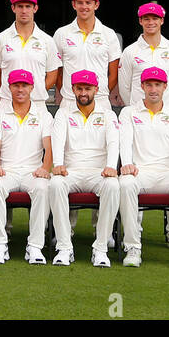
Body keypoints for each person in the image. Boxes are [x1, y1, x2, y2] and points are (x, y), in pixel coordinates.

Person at [117, 1, 169, 246]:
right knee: (134, 172)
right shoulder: (130, 52)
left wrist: (164, 109)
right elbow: (126, 88)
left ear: (162, 21)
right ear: (140, 21)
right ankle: (133, 233)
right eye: (146, 18)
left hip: (167, 121)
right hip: (137, 121)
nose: (150, 22)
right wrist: (138, 111)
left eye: (154, 18)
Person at [55, 0, 121, 242]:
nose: (84, 6)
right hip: (69, 101)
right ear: (73, 4)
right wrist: (70, 94)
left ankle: (100, 230)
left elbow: (113, 72)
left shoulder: (108, 35)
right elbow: (58, 70)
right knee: (67, 161)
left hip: (99, 100)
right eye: (80, 2)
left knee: (103, 161)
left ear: (96, 5)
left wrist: (99, 94)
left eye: (89, 2)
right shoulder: (62, 34)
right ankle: (66, 230)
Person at [118, 67, 169, 269]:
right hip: (141, 173)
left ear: (165, 87)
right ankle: (132, 247)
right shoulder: (129, 113)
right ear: (142, 86)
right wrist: (127, 163)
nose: (153, 89)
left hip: (168, 175)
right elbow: (124, 142)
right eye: (149, 84)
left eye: (157, 85)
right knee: (126, 183)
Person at [49, 70, 120, 267]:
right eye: (79, 88)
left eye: (87, 88)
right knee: (55, 184)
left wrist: (110, 166)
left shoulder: (108, 114)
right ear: (72, 89)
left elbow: (114, 142)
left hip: (98, 172)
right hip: (71, 171)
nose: (83, 92)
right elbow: (58, 140)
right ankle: (64, 247)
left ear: (96, 89)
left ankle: (100, 248)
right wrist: (58, 164)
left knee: (113, 186)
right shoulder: (63, 113)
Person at [0, 69, 53, 265]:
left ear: (32, 88)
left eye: (24, 85)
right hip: (7, 170)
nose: (20, 89)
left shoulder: (44, 115)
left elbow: (49, 146)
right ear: (10, 88)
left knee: (42, 188)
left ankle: (35, 246)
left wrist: (45, 167)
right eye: (16, 85)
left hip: (32, 171)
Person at [0, 0, 60, 101]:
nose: (24, 11)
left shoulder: (47, 41)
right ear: (13, 8)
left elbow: (52, 74)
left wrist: (35, 92)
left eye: (28, 6)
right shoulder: (1, 38)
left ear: (35, 8)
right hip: (8, 102)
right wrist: (8, 92)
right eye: (20, 6)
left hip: (37, 103)